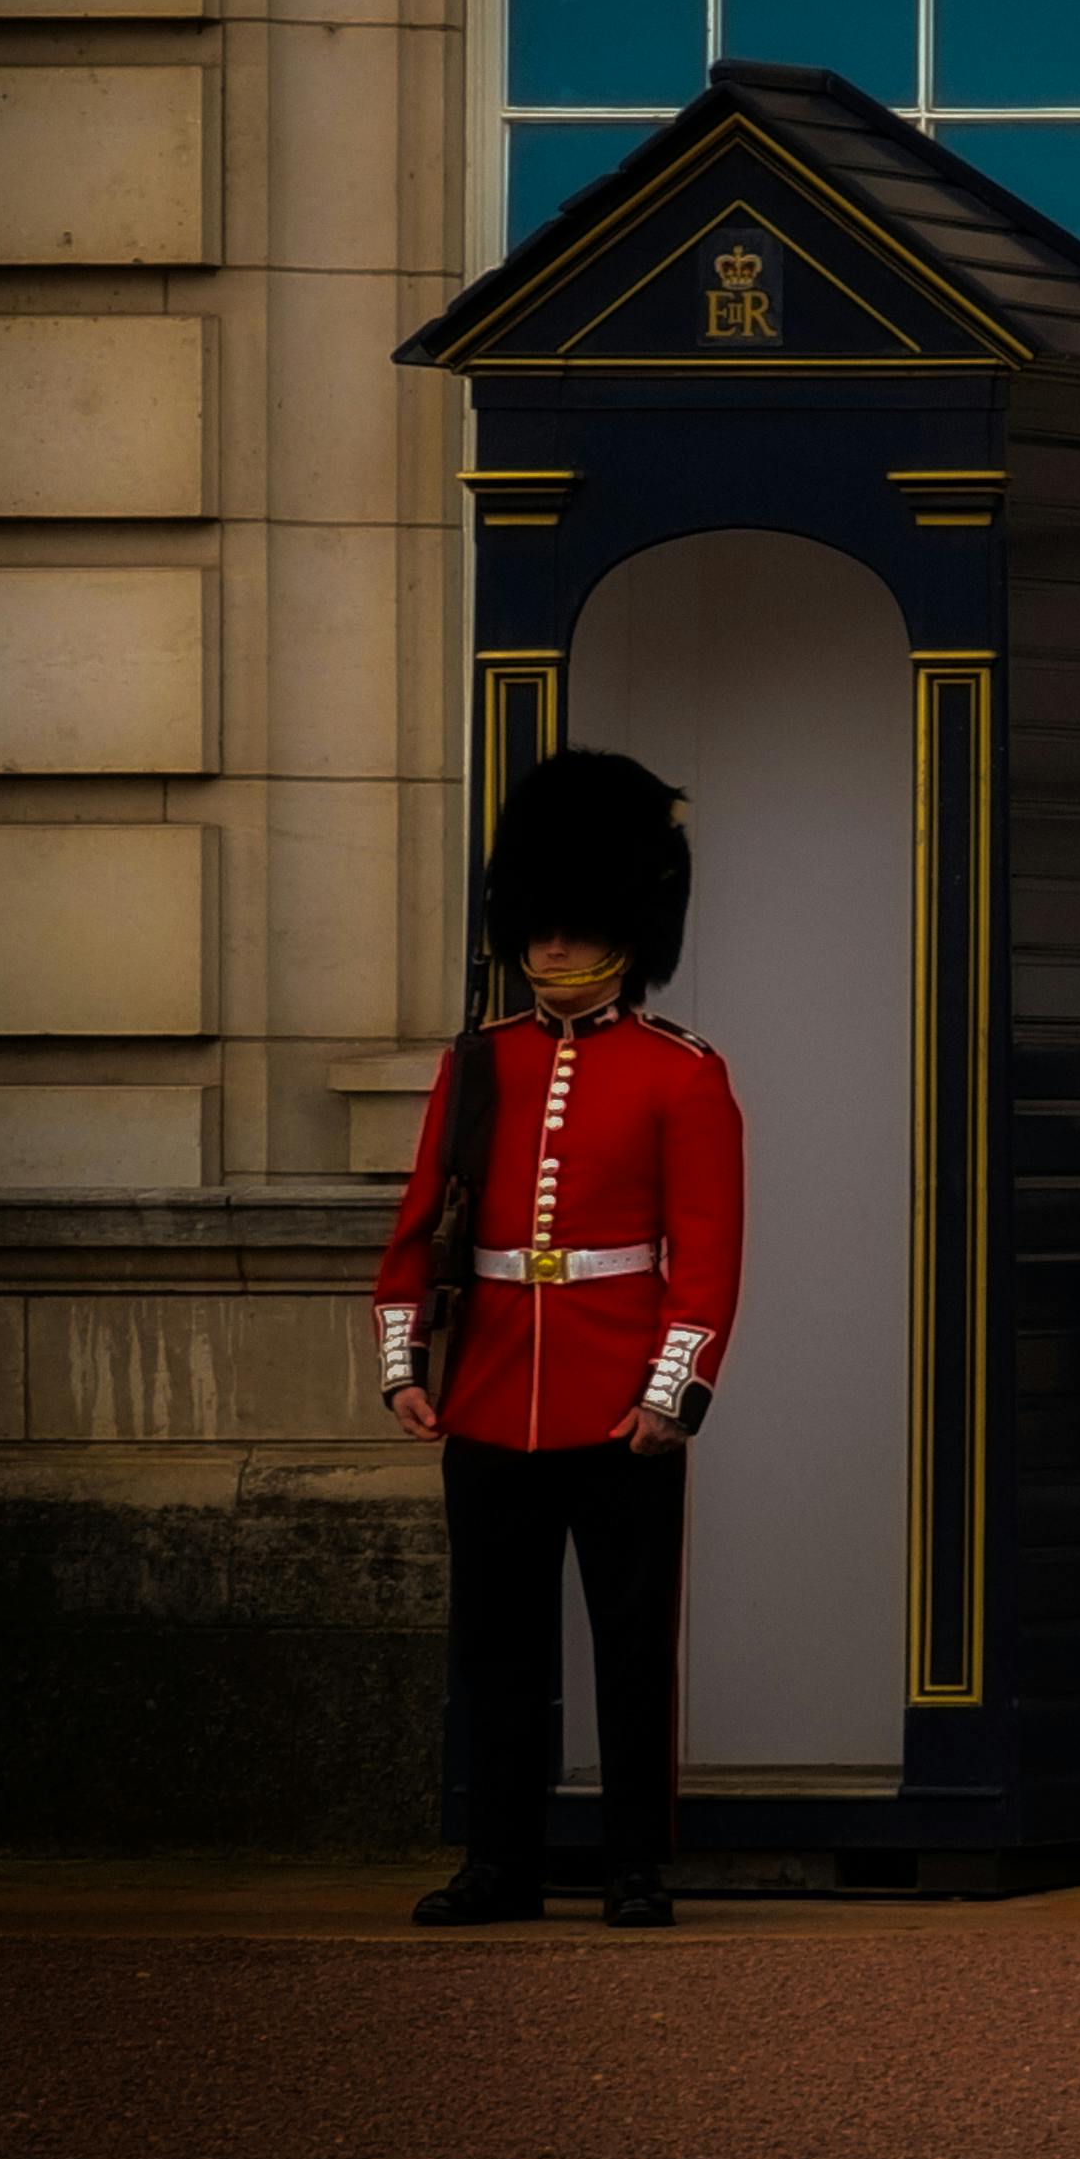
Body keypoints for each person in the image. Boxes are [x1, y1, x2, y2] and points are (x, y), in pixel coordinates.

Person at [373, 748, 745, 1929]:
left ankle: (635, 1863)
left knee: (629, 1646)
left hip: (614, 1397)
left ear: (626, 935)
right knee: (496, 1645)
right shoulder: (478, 1063)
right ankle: (500, 1863)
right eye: (539, 928)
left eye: (575, 929)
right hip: (489, 1391)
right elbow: (420, 1221)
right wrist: (402, 1364)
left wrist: (670, 1393)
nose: (551, 948)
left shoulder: (681, 1074)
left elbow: (706, 1255)